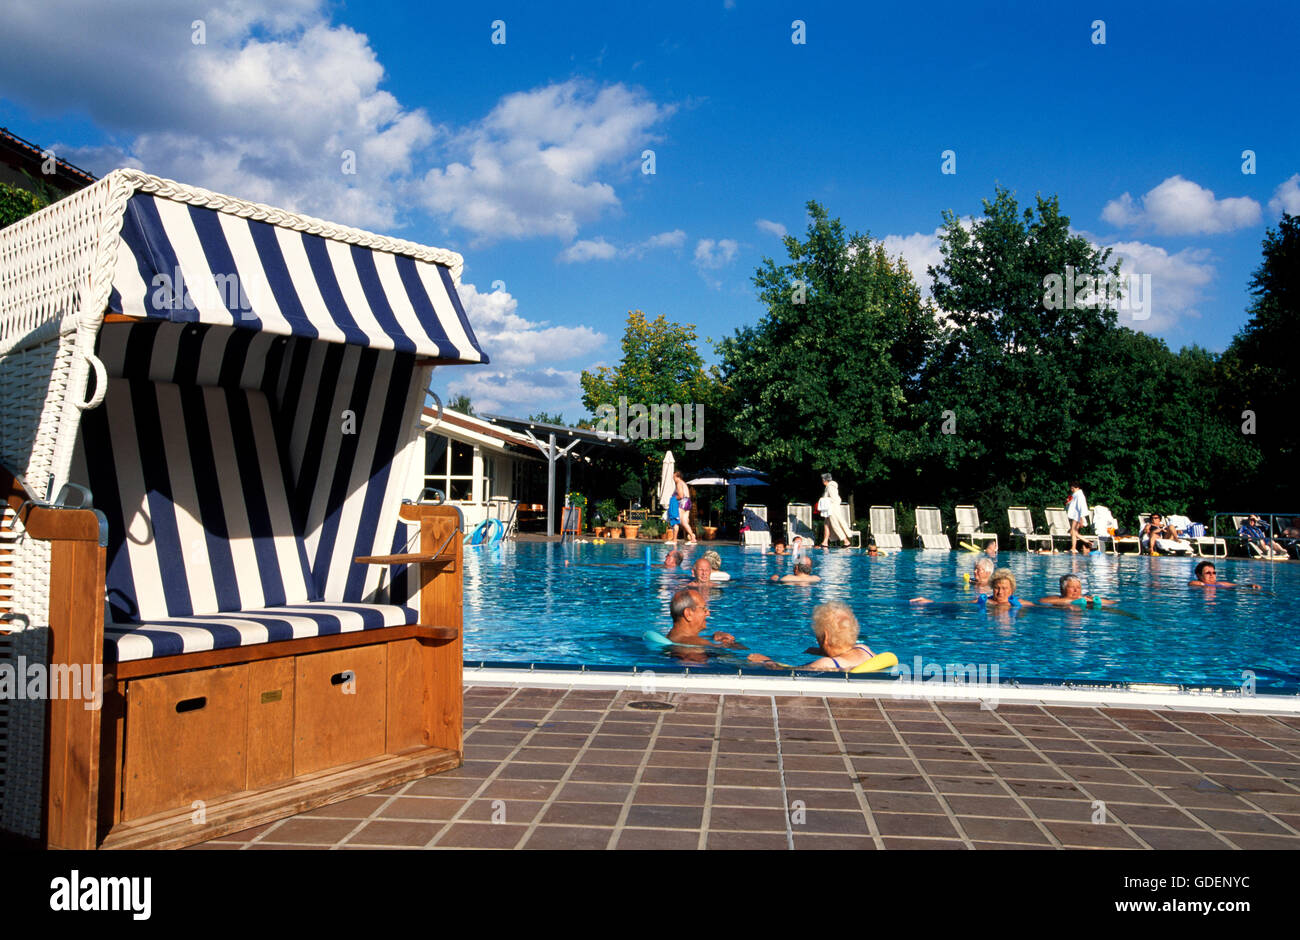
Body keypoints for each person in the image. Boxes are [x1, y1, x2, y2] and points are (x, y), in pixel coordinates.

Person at [746, 601, 875, 671]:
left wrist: (767, 661)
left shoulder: (827, 663)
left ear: (825, 637)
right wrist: (822, 651)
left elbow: (791, 672)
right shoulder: (864, 649)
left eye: (818, 637)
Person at [666, 588, 744, 659]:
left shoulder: (672, 637)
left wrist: (712, 637)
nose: (708, 613)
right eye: (704, 608)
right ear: (688, 614)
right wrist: (730, 643)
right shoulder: (699, 644)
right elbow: (738, 657)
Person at [914, 568, 1030, 607]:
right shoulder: (985, 602)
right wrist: (932, 602)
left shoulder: (1020, 603)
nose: (1000, 592)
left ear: (1012, 590)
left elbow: (1042, 608)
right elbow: (959, 604)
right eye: (996, 588)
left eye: (1004, 588)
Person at [817, 472, 852, 548]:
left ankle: (846, 541)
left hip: (832, 509)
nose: (822, 481)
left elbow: (836, 499)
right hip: (829, 509)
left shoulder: (830, 487)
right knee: (826, 524)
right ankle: (825, 542)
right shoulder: (829, 487)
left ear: (825, 480)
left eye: (822, 479)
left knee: (835, 525)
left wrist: (824, 499)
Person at [1037, 573, 1116, 607]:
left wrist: (1093, 600)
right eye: (1072, 587)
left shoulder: (1085, 598)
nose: (1076, 590)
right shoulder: (1057, 598)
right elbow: (1042, 601)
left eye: (1078, 588)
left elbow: (1113, 603)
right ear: (1062, 590)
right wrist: (1071, 600)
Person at [1188, 560, 1261, 589]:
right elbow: (1193, 584)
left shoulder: (1219, 583)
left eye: (1214, 573)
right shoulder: (1195, 583)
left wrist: (1250, 586)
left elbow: (1235, 585)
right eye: (1208, 573)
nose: (1212, 575)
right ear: (1199, 575)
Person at [1067, 481, 1094, 553]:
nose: (1071, 490)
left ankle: (1075, 547)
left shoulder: (1079, 495)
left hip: (1077, 516)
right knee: (1073, 532)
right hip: (1076, 516)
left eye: (1073, 488)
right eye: (1071, 488)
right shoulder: (1075, 495)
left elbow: (1081, 507)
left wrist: (1081, 519)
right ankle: (1075, 547)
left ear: (1077, 488)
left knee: (1073, 531)